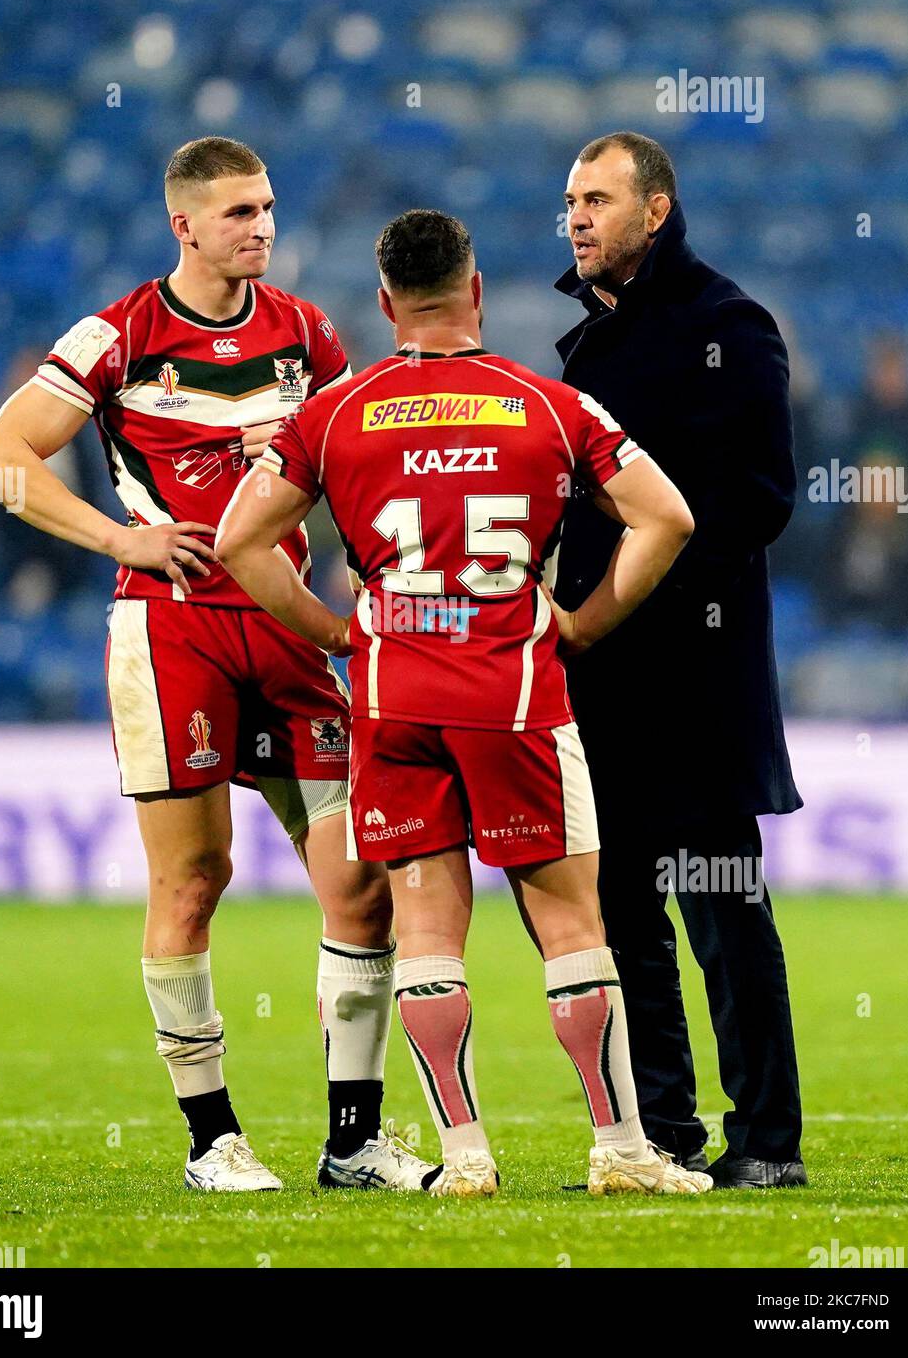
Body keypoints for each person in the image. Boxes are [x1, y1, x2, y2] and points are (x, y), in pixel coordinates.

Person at [0, 136, 436, 1193]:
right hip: (170, 629)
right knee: (193, 879)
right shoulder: (119, 335)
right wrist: (120, 537)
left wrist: (377, 587)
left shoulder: (308, 335)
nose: (260, 226)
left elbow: (350, 468)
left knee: (359, 887)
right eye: (236, 213)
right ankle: (211, 1140)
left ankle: (354, 1142)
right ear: (183, 225)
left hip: (287, 622)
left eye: (266, 207)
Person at [215, 208, 712, 1199]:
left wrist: (335, 633)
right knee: (572, 924)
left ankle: (467, 1157)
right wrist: (584, 619)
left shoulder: (334, 413)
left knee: (428, 928)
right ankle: (620, 1151)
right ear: (476, 292)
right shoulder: (550, 405)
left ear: (387, 301)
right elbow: (669, 516)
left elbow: (236, 541)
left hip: (395, 696)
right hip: (513, 691)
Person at [554, 131, 806, 1188]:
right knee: (621, 918)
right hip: (604, 678)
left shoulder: (726, 324)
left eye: (598, 199)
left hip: (694, 682)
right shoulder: (583, 346)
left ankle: (765, 1141)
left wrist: (632, 583)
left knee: (721, 910)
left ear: (654, 211)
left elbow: (760, 499)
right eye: (569, 199)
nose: (575, 217)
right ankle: (662, 1134)